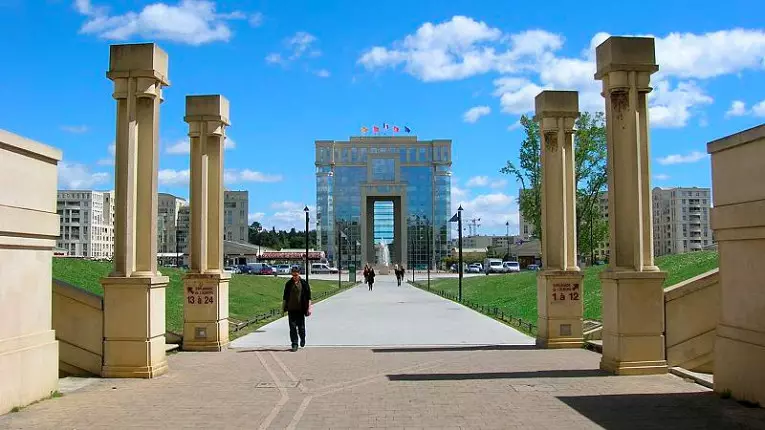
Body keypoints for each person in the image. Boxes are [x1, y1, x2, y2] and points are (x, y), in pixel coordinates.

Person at [282, 265, 312, 352]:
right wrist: (283, 308)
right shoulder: (288, 284)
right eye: (293, 275)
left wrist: (309, 308)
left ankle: (302, 337)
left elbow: (309, 297)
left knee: (301, 327)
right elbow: (285, 297)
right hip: (291, 309)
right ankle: (294, 343)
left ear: (299, 274)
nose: (294, 277)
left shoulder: (304, 283)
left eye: (296, 275)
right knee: (292, 327)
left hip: (301, 309)